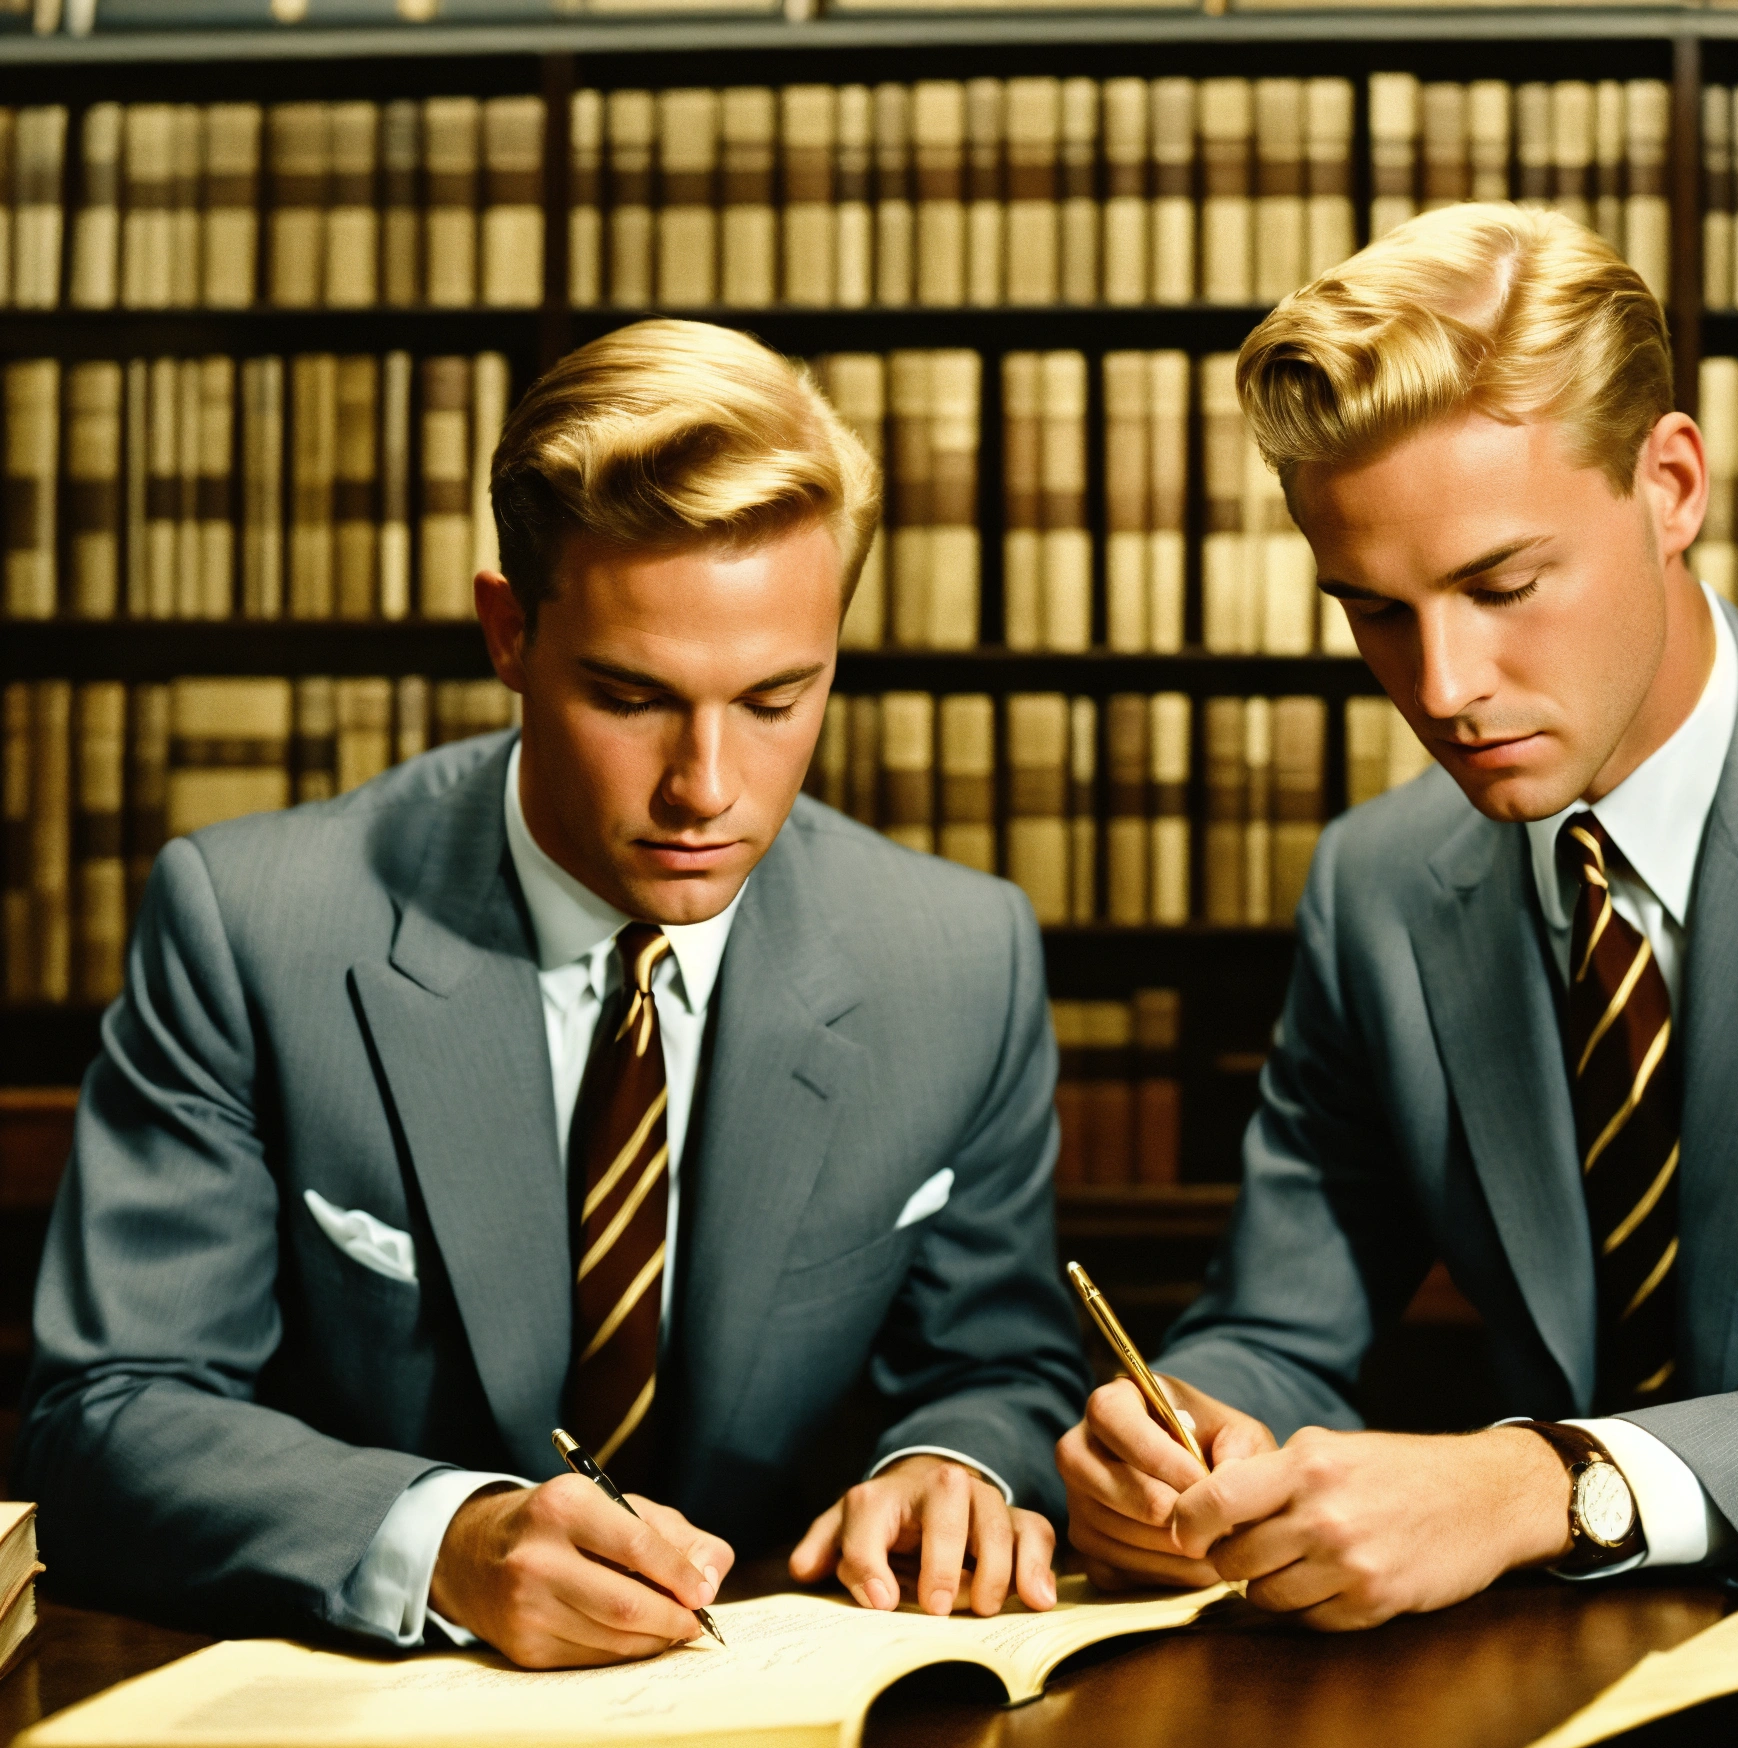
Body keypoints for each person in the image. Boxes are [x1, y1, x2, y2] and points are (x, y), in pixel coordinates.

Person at [1057, 205, 1738, 1629]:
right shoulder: (1378, 885)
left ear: (1671, 483)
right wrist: (1180, 1448)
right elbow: (1278, 1331)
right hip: (1544, 1657)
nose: (1442, 685)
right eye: (1374, 612)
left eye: (1502, 585)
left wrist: (1541, 1484)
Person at [18, 319, 1089, 1668]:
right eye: (632, 696)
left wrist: (963, 1464)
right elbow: (112, 1413)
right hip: (374, 1729)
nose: (708, 786)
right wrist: (442, 1538)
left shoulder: (959, 955)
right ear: (509, 634)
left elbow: (996, 1364)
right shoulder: (249, 926)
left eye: (777, 698)